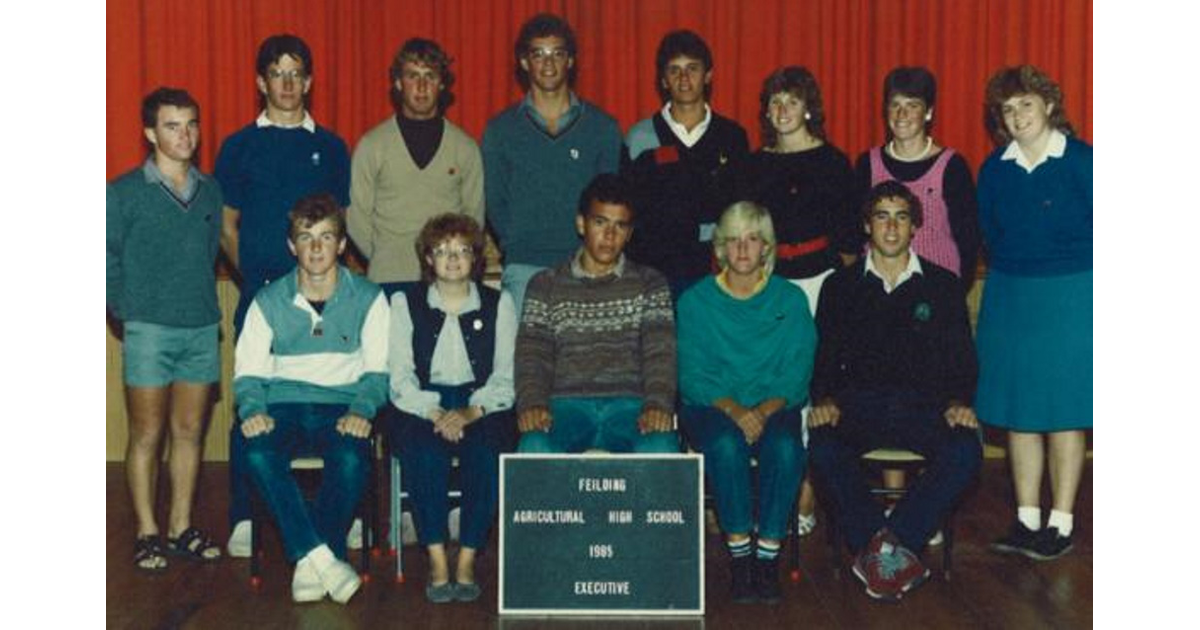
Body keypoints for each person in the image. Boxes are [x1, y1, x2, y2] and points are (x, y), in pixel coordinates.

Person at [807, 181, 982, 602]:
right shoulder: (840, 285)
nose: (891, 226)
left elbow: (963, 358)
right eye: (881, 216)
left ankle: (886, 546)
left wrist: (959, 403)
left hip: (923, 408)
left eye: (901, 217)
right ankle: (884, 547)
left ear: (914, 227)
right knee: (823, 445)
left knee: (966, 450)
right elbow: (824, 356)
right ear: (867, 226)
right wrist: (825, 401)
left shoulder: (942, 285)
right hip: (858, 408)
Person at [215, 33, 353, 556]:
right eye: (278, 72)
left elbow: (342, 224)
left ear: (310, 81)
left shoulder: (333, 147)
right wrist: (254, 275)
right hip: (264, 297)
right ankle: (244, 515)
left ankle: (341, 512)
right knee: (254, 398)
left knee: (330, 395)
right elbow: (227, 224)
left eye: (298, 72)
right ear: (261, 82)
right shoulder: (239, 146)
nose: (289, 82)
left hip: (325, 296)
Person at [234, 194, 389, 604]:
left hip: (342, 406)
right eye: (306, 237)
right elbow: (247, 373)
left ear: (342, 245)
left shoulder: (370, 297)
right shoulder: (267, 302)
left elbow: (378, 373)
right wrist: (252, 411)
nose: (316, 247)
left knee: (354, 457)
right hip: (282, 405)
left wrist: (362, 409)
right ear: (292, 246)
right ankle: (324, 558)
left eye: (326, 237)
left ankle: (307, 560)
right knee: (255, 452)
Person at [733, 65, 858, 536]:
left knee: (814, 385)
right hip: (768, 284)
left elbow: (849, 238)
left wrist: (834, 288)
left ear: (809, 108)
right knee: (770, 383)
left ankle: (806, 492)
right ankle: (768, 492)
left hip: (822, 282)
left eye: (792, 101)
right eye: (775, 102)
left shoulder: (833, 162)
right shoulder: (753, 164)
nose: (783, 110)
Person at [976, 65, 1092, 561]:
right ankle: (1026, 518)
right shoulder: (995, 168)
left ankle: (1061, 521)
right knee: (1019, 410)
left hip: (1070, 292)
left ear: (1048, 105)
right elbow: (990, 231)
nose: (1018, 115)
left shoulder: (1083, 161)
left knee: (1063, 409)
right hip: (1009, 291)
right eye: (1008, 108)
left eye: (1026, 104)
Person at [107, 87, 224, 572]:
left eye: (192, 124)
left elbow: (211, 253)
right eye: (173, 125)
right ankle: (147, 531)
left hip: (200, 328)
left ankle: (180, 525)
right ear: (150, 132)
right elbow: (102, 258)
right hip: (149, 331)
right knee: (147, 433)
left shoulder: (211, 190)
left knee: (190, 431)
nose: (185, 135)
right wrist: (128, 310)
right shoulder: (123, 191)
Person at [676, 202, 816, 604]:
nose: (741, 250)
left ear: (766, 248)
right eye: (732, 240)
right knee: (724, 444)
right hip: (712, 407)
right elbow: (692, 374)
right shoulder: (695, 301)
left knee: (787, 448)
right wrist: (736, 412)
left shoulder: (789, 300)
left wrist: (763, 411)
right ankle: (739, 556)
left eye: (751, 240)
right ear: (719, 248)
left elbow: (798, 371)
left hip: (774, 406)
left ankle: (767, 556)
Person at [387, 214, 517, 604]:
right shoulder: (404, 303)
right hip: (422, 404)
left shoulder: (500, 303)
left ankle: (467, 559)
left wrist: (472, 412)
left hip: (483, 404)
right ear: (428, 259)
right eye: (442, 251)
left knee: (487, 452)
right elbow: (400, 377)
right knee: (423, 453)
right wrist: (434, 413)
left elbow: (507, 376)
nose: (453, 259)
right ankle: (438, 559)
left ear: (476, 258)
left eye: (462, 250)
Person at [516, 174, 677, 454]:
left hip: (631, 407)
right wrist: (533, 403)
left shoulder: (651, 283)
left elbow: (660, 356)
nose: (610, 236)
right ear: (582, 224)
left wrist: (657, 404)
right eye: (600, 222)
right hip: (565, 407)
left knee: (661, 446)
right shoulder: (545, 284)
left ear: (629, 233)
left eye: (620, 226)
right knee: (534, 446)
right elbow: (533, 355)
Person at [482, 13, 623, 316]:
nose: (548, 63)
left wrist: (593, 256)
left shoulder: (603, 127)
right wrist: (518, 243)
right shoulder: (500, 130)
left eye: (558, 53)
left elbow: (610, 204)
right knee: (529, 363)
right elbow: (495, 201)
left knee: (588, 362)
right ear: (523, 62)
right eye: (538, 54)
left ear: (571, 61)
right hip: (524, 270)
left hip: (587, 268)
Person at [348, 38, 484, 295]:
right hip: (387, 280)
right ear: (398, 83)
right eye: (412, 76)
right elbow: (356, 216)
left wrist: (449, 261)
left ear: (442, 84)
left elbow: (473, 220)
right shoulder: (372, 145)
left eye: (430, 76)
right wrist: (384, 255)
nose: (421, 86)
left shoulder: (464, 147)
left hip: (448, 283)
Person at [622, 29, 749, 296]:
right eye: (674, 70)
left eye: (692, 69)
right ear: (663, 80)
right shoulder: (640, 138)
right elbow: (630, 213)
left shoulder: (732, 137)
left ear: (708, 76)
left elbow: (741, 210)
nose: (683, 78)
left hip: (718, 271)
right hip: (655, 273)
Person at [854, 66, 980, 289]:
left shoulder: (952, 167)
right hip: (878, 289)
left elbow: (969, 241)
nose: (902, 115)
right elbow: (856, 234)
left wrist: (955, 292)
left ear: (928, 112)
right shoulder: (867, 165)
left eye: (912, 106)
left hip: (937, 290)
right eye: (895, 105)